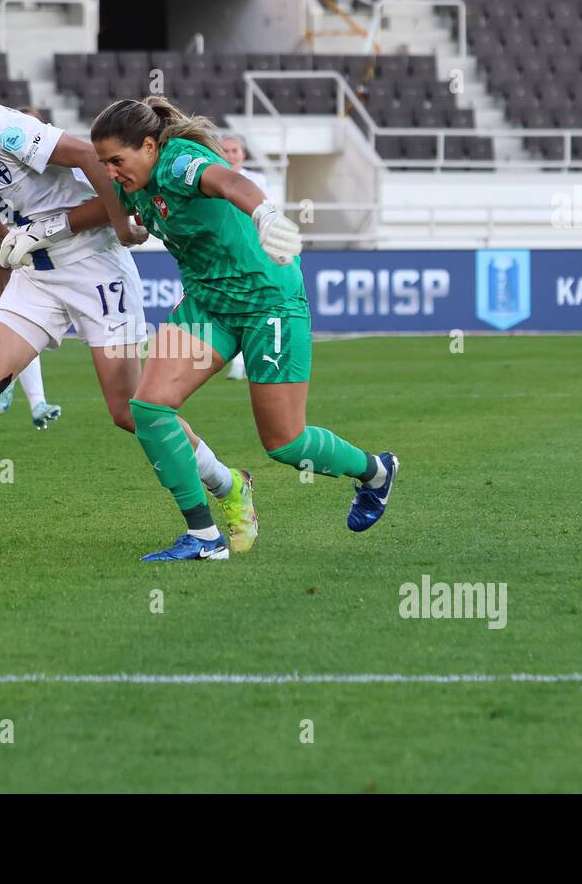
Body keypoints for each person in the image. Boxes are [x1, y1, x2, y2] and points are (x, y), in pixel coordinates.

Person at [0, 60, 256, 557]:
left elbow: (92, 160)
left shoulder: (5, 128)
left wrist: (121, 223)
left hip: (97, 270)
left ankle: (228, 487)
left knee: (129, 411)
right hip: (36, 277)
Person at [90, 96, 398, 562]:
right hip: (207, 305)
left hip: (268, 301)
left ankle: (375, 471)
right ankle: (204, 536)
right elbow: (99, 212)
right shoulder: (132, 183)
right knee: (149, 409)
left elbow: (231, 182)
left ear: (151, 145)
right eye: (103, 163)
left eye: (116, 160)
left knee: (285, 443)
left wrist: (265, 214)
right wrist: (40, 233)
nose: (110, 171)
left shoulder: (178, 164)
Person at [0, 108, 63, 429]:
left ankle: (18, 387)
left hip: (68, 256)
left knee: (126, 402)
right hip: (27, 256)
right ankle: (21, 391)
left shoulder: (52, 163)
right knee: (22, 327)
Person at [219, 134, 267, 380]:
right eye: (225, 150)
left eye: (234, 150)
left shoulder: (258, 180)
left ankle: (250, 362)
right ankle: (239, 363)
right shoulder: (212, 179)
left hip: (252, 251)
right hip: (226, 251)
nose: (231, 155)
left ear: (243, 154)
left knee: (252, 309)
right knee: (238, 309)